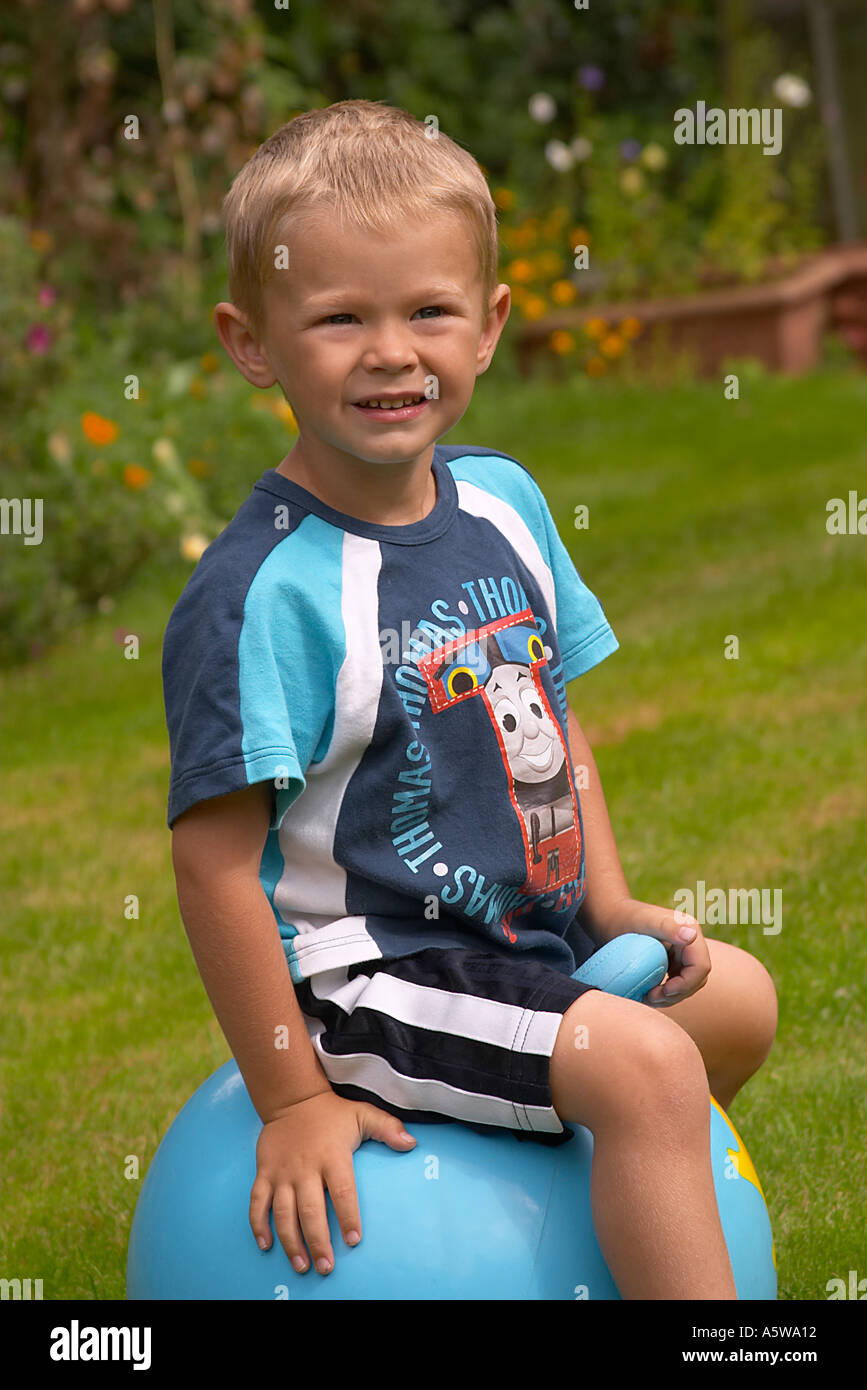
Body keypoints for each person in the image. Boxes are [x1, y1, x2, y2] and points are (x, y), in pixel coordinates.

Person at [162, 99, 777, 1300]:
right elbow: (213, 867)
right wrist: (290, 1094)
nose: (392, 352)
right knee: (649, 1071)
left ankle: (592, 1199)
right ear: (252, 341)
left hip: (527, 943)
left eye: (428, 311)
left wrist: (609, 908)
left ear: (489, 325)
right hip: (381, 979)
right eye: (340, 318)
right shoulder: (261, 594)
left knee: (739, 1001)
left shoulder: (505, 504)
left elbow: (549, 716)